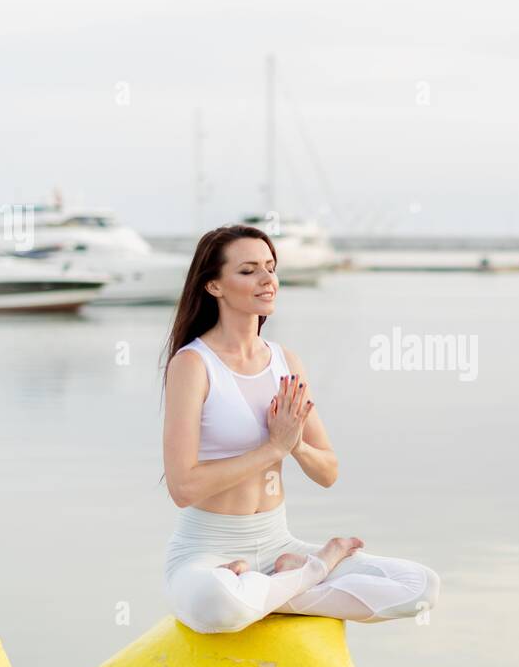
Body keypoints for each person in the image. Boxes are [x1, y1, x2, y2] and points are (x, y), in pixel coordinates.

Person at [160, 224, 440, 634]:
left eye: (270, 267)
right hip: (207, 553)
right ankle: (312, 571)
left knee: (419, 588)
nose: (266, 279)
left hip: (278, 546)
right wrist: (273, 449)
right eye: (248, 270)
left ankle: (269, 587)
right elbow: (183, 489)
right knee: (217, 604)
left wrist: (295, 447)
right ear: (214, 286)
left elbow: (328, 471)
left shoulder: (284, 361)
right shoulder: (193, 365)